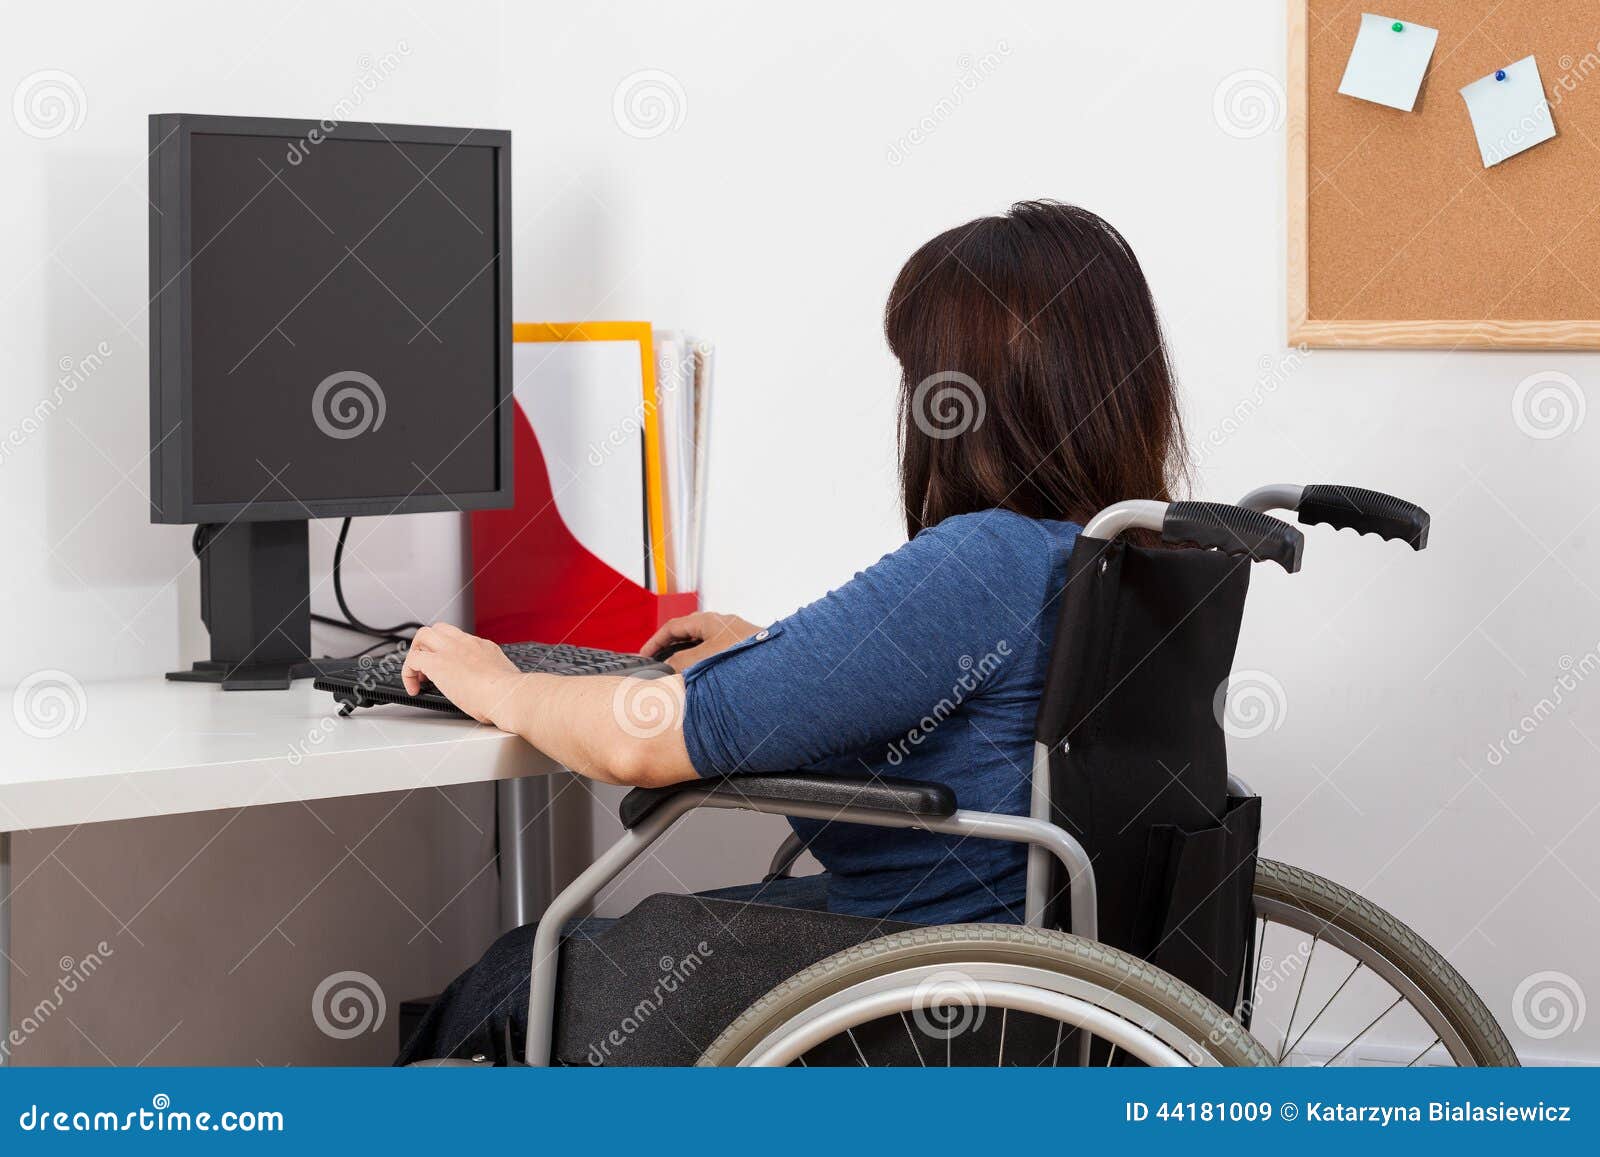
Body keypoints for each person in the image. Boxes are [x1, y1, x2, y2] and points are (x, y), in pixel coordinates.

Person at [395, 200, 1189, 1063]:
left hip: (923, 980)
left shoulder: (986, 557)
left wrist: (501, 683)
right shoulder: (1135, 554)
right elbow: (975, 720)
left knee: (519, 970)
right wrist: (772, 658)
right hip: (1035, 969)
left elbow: (643, 745)